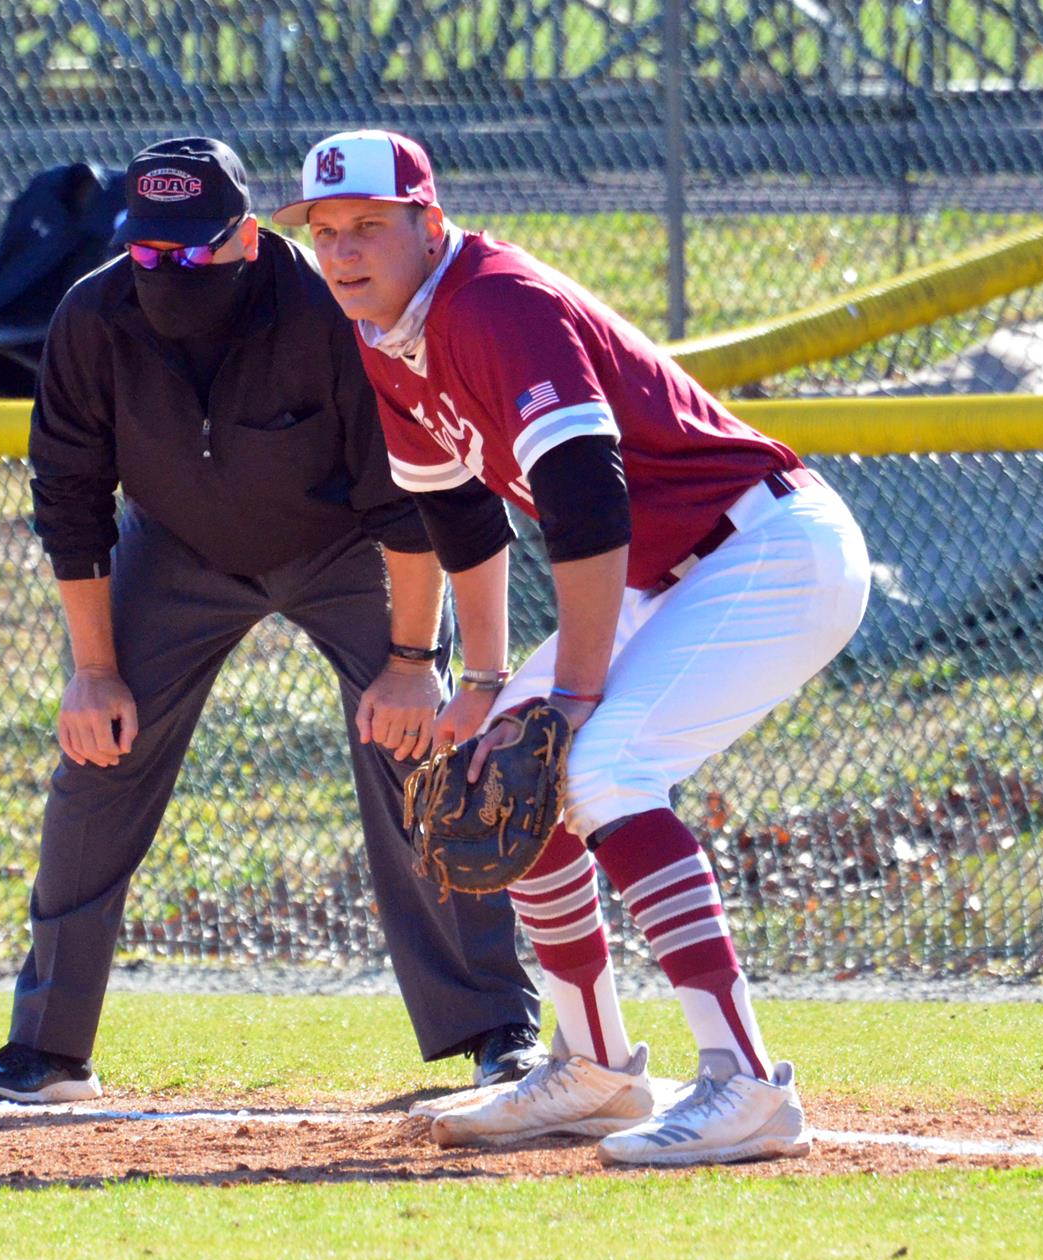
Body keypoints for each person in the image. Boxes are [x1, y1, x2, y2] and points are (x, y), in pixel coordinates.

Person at [276, 130, 871, 1166]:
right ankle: (594, 1069)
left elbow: (587, 505)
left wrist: (577, 693)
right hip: (667, 574)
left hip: (767, 550)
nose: (342, 251)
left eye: (369, 225)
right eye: (324, 232)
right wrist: (485, 685)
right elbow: (458, 522)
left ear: (428, 220)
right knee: (504, 759)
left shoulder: (495, 304)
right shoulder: (385, 338)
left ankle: (743, 1083)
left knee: (597, 764)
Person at [0, 137, 543, 1104]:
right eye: (149, 252)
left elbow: (408, 503)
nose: (168, 271)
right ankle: (48, 1051)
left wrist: (409, 661)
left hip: (349, 545)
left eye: (193, 253)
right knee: (98, 756)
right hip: (178, 547)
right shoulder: (93, 314)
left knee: (423, 741)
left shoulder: (327, 310)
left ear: (244, 238)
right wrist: (93, 671)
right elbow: (68, 501)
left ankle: (496, 1031)